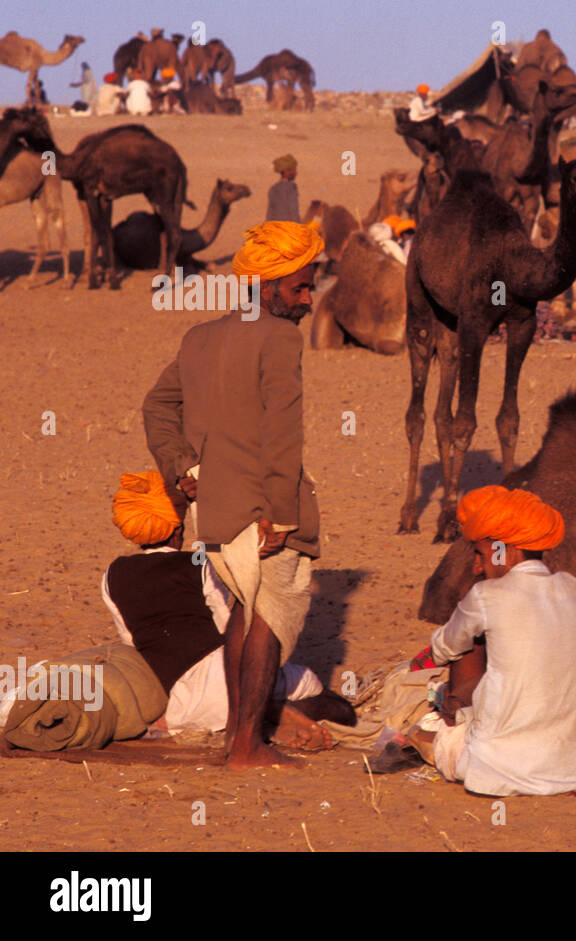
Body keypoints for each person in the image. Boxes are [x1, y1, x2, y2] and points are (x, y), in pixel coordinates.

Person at [142, 220, 325, 769]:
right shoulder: (279, 337)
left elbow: (156, 407)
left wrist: (181, 470)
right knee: (267, 616)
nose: (309, 300)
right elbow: (282, 431)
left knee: (244, 612)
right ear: (266, 287)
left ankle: (236, 739)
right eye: (300, 287)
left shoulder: (199, 337)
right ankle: (247, 745)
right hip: (266, 507)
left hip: (215, 510)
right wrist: (283, 514)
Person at [103, 470, 353, 744]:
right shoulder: (201, 564)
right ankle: (273, 716)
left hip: (179, 708)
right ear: (178, 525)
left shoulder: (112, 576)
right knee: (337, 706)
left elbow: (132, 646)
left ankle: (263, 719)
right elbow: (232, 628)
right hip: (230, 685)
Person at [410, 485, 576, 796]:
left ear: (507, 549)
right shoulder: (575, 590)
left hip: (500, 768)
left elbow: (441, 649)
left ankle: (445, 723)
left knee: (468, 642)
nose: (477, 567)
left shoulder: (488, 595)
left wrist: (471, 607)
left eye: (480, 554)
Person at [266, 154, 300, 222]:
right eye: (293, 170)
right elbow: (293, 211)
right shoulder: (292, 187)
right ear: (285, 171)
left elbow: (270, 214)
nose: (295, 173)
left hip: (275, 227)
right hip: (288, 227)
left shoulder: (273, 189)